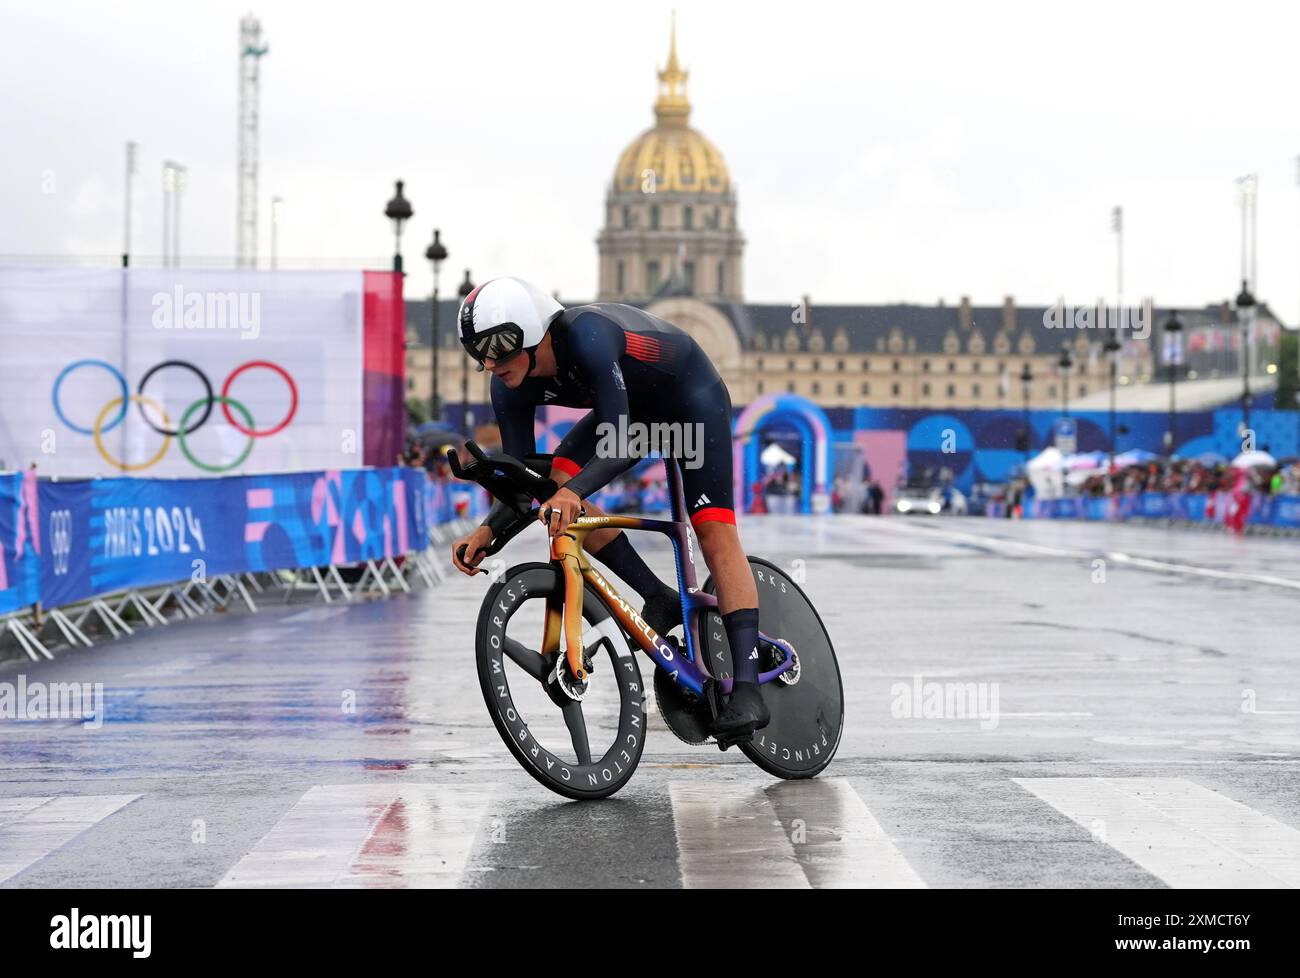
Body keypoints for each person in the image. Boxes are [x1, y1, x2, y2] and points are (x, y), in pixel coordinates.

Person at [448, 278, 768, 740]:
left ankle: (747, 687)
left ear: (534, 331)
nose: (490, 362)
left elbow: (617, 443)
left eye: (500, 344)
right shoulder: (509, 386)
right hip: (635, 411)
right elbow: (525, 486)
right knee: (553, 485)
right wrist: (486, 533)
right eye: (478, 351)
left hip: (690, 400)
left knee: (714, 531)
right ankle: (657, 594)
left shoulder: (587, 335)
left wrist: (572, 492)